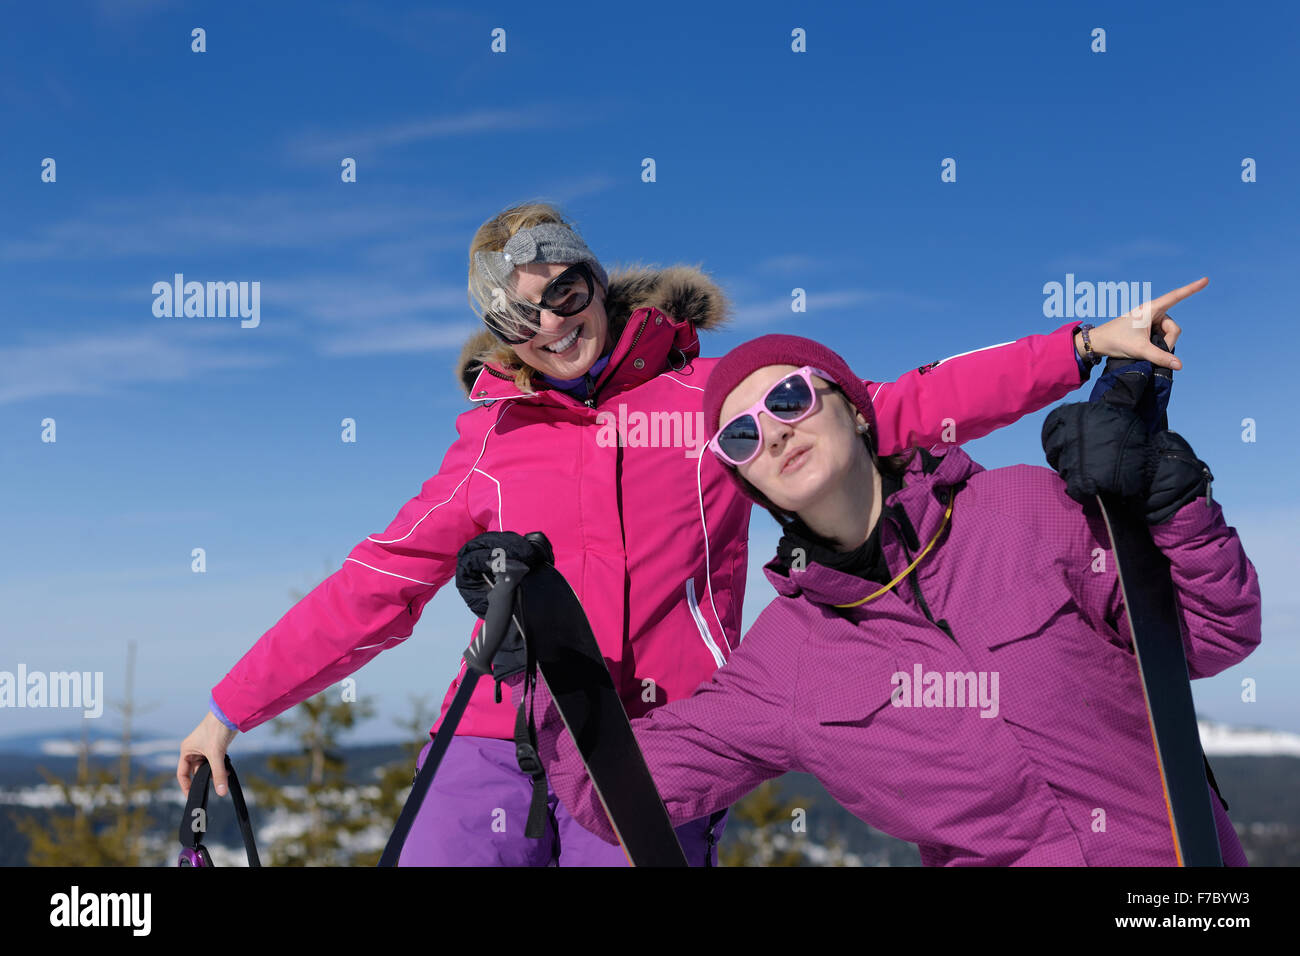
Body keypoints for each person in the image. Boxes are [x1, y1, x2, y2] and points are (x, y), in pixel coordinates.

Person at [177, 200, 1202, 866]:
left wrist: (1072, 347)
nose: (551, 326)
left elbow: (897, 403)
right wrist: (229, 708)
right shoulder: (490, 443)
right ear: (502, 336)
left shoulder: (714, 404)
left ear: (593, 279)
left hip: (659, 739)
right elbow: (374, 583)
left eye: (564, 293)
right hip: (500, 734)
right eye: (520, 318)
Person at [510, 325, 1262, 866]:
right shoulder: (786, 659)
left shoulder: (1023, 509)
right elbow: (619, 797)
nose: (769, 434)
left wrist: (1168, 498)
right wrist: (545, 661)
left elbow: (1211, 635)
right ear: (744, 479)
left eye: (790, 399)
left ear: (856, 408)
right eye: (738, 437)